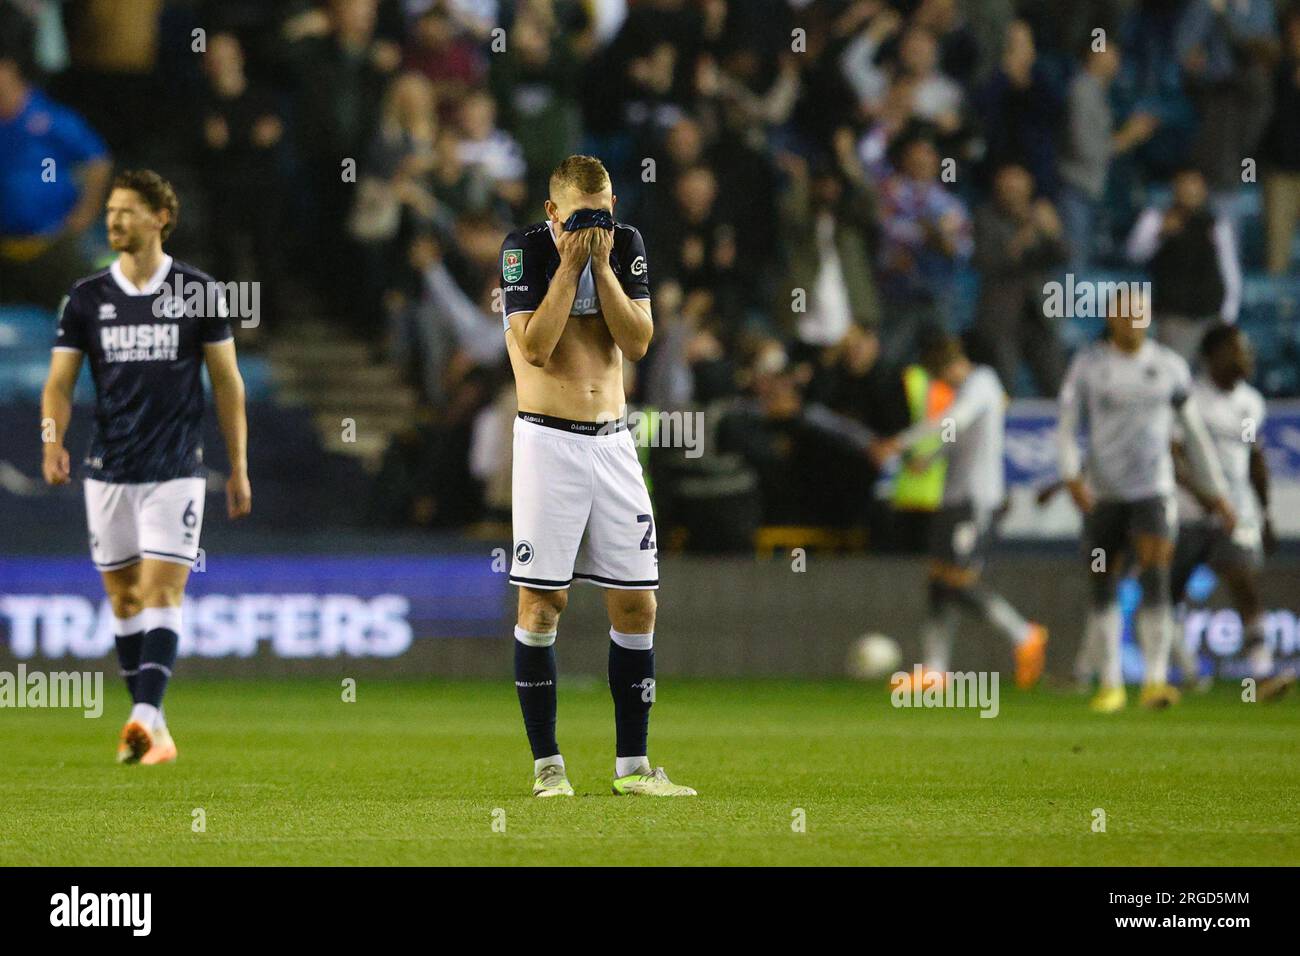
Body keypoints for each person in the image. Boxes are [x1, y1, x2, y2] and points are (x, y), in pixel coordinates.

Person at [39, 170, 251, 763]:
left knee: (162, 592)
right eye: (110, 210)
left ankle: (141, 713)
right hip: (107, 468)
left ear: (162, 217)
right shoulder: (86, 298)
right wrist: (52, 440)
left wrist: (238, 465)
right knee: (125, 601)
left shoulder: (199, 292)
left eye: (127, 210)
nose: (113, 220)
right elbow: (58, 384)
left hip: (176, 468)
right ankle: (155, 734)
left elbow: (227, 383)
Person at [499, 155, 695, 797]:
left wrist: (602, 265)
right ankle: (547, 765)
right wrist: (571, 264)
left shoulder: (627, 244)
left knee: (639, 604)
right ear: (553, 212)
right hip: (548, 441)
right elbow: (535, 347)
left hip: (613, 442)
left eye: (607, 204)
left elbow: (637, 342)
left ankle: (633, 767)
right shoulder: (523, 250)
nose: (601, 218)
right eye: (586, 211)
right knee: (542, 602)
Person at [1057, 291, 1233, 713]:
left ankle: (1155, 680)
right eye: (1126, 313)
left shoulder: (1169, 367)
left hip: (1154, 492)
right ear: (1112, 318)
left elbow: (1194, 434)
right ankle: (1111, 683)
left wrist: (1217, 491)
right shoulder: (1090, 366)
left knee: (1156, 573)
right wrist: (1071, 475)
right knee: (1104, 578)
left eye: (1141, 313)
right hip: (1103, 496)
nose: (1135, 320)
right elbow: (1066, 426)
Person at [875, 334, 1048, 690]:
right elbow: (955, 437)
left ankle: (1024, 634)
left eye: (938, 375)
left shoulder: (982, 383)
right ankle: (935, 670)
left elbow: (954, 421)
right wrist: (930, 457)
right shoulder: (966, 392)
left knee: (956, 580)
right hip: (953, 498)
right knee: (938, 581)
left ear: (948, 366)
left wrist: (901, 441)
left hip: (976, 499)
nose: (940, 384)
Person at [1169, 325, 1292, 700]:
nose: (1247, 359)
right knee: (1164, 597)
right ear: (1211, 356)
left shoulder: (1250, 403)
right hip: (1187, 514)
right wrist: (1205, 497)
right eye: (1237, 351)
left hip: (1235, 514)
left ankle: (1261, 673)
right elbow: (1174, 455)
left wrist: (1267, 514)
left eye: (1248, 352)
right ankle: (1188, 673)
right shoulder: (1190, 399)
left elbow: (1254, 459)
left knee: (1244, 582)